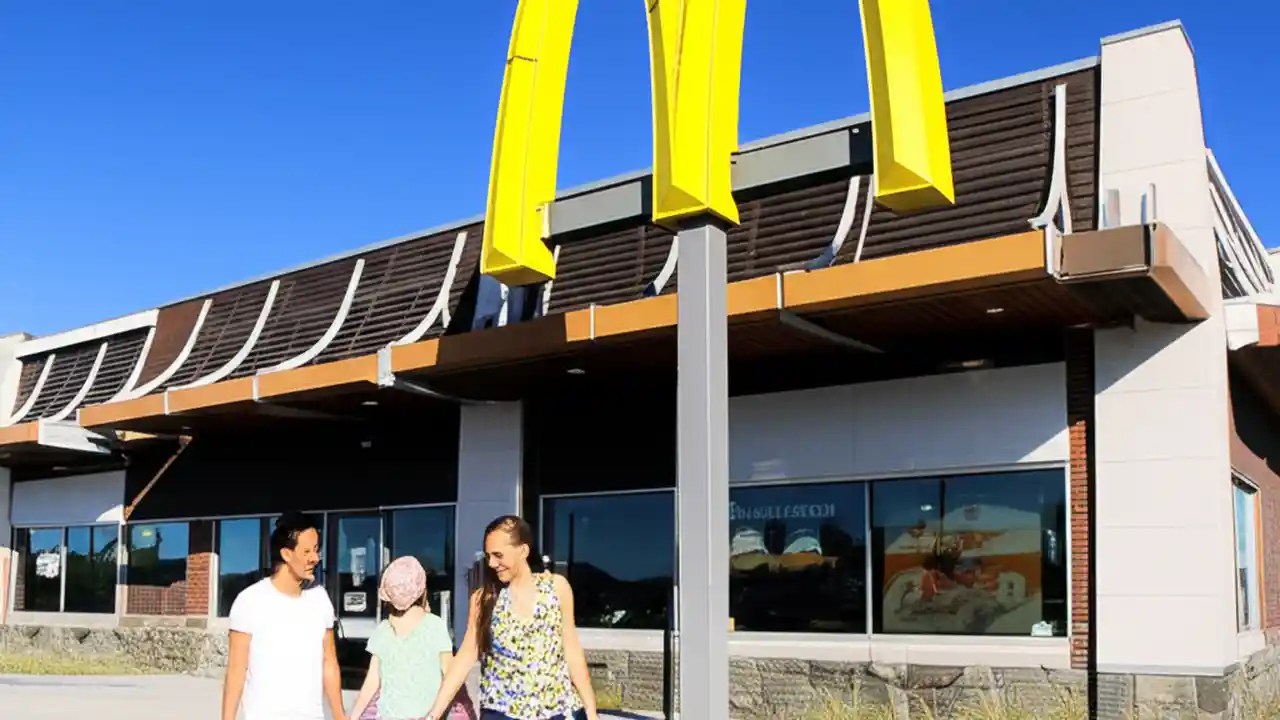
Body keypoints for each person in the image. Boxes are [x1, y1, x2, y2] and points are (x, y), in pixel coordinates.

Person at [424, 515, 598, 720]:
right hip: (501, 711)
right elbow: (465, 656)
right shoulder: (484, 598)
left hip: (558, 710)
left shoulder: (556, 588)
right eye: (488, 556)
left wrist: (592, 711)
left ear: (523, 551)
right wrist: (433, 715)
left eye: (498, 555)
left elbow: (571, 650)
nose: (492, 563)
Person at [221, 512, 346, 720]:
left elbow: (329, 663)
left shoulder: (320, 598)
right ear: (286, 554)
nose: (315, 558)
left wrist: (340, 715)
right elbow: (236, 670)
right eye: (307, 551)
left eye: (316, 550)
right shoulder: (250, 601)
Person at [348, 556, 460, 720]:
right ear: (422, 591)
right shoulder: (435, 627)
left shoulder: (383, 631)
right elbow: (451, 676)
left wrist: (354, 716)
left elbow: (372, 680)